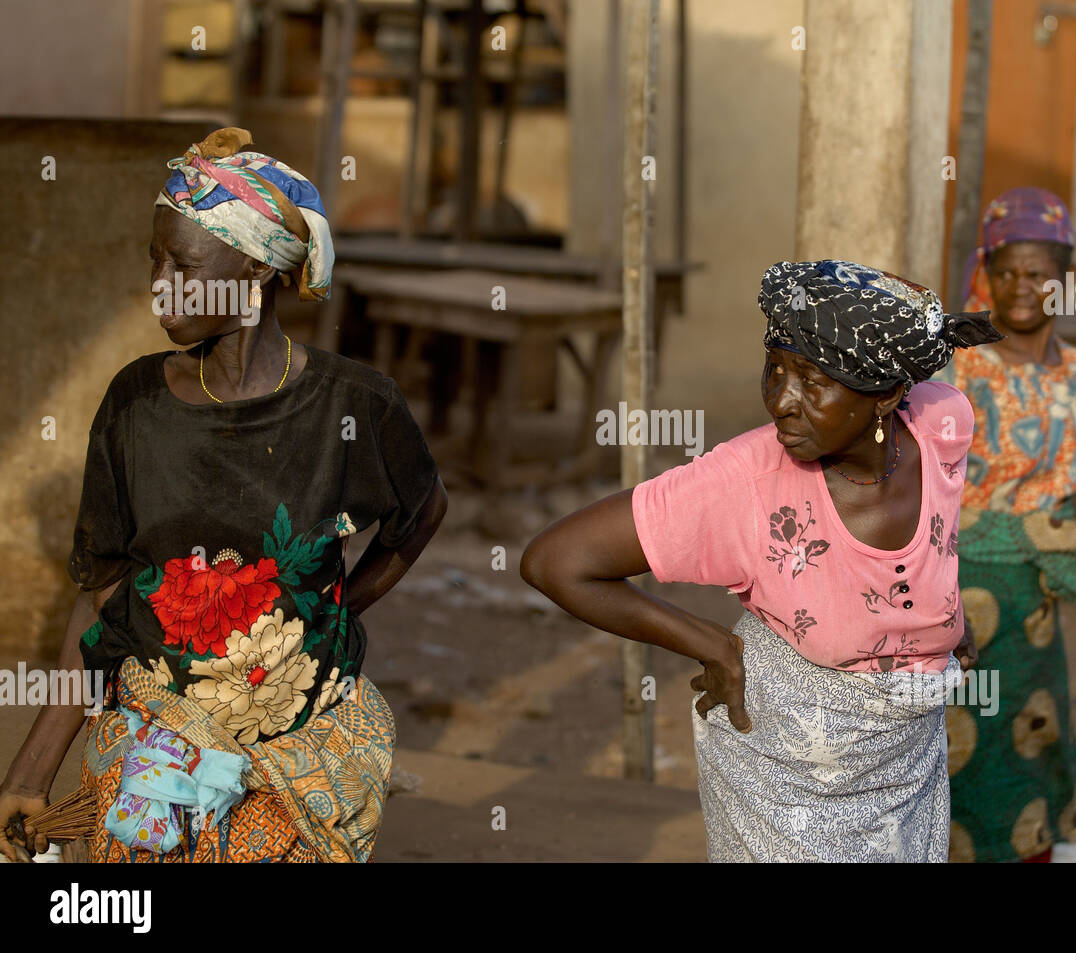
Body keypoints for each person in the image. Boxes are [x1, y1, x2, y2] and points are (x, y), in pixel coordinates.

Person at [0, 127, 448, 863]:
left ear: (255, 267)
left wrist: (330, 609)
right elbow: (105, 591)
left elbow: (422, 513)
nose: (158, 284)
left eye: (182, 263)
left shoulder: (356, 405)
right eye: (153, 260)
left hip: (301, 756)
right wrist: (32, 767)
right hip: (153, 754)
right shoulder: (136, 403)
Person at [522, 259, 999, 862]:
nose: (781, 402)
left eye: (812, 381)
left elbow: (932, 534)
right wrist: (708, 642)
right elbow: (555, 561)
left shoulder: (943, 424)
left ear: (886, 395)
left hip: (905, 758)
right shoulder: (747, 482)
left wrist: (939, 610)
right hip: (784, 760)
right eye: (774, 371)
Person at [934, 187, 1076, 862]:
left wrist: (1055, 541)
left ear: (1065, 280)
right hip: (963, 585)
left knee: (1030, 736)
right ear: (985, 273)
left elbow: (1062, 486)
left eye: (1037, 273)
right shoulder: (956, 362)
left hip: (1034, 602)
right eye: (1005, 272)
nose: (1020, 287)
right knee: (959, 742)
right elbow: (927, 490)